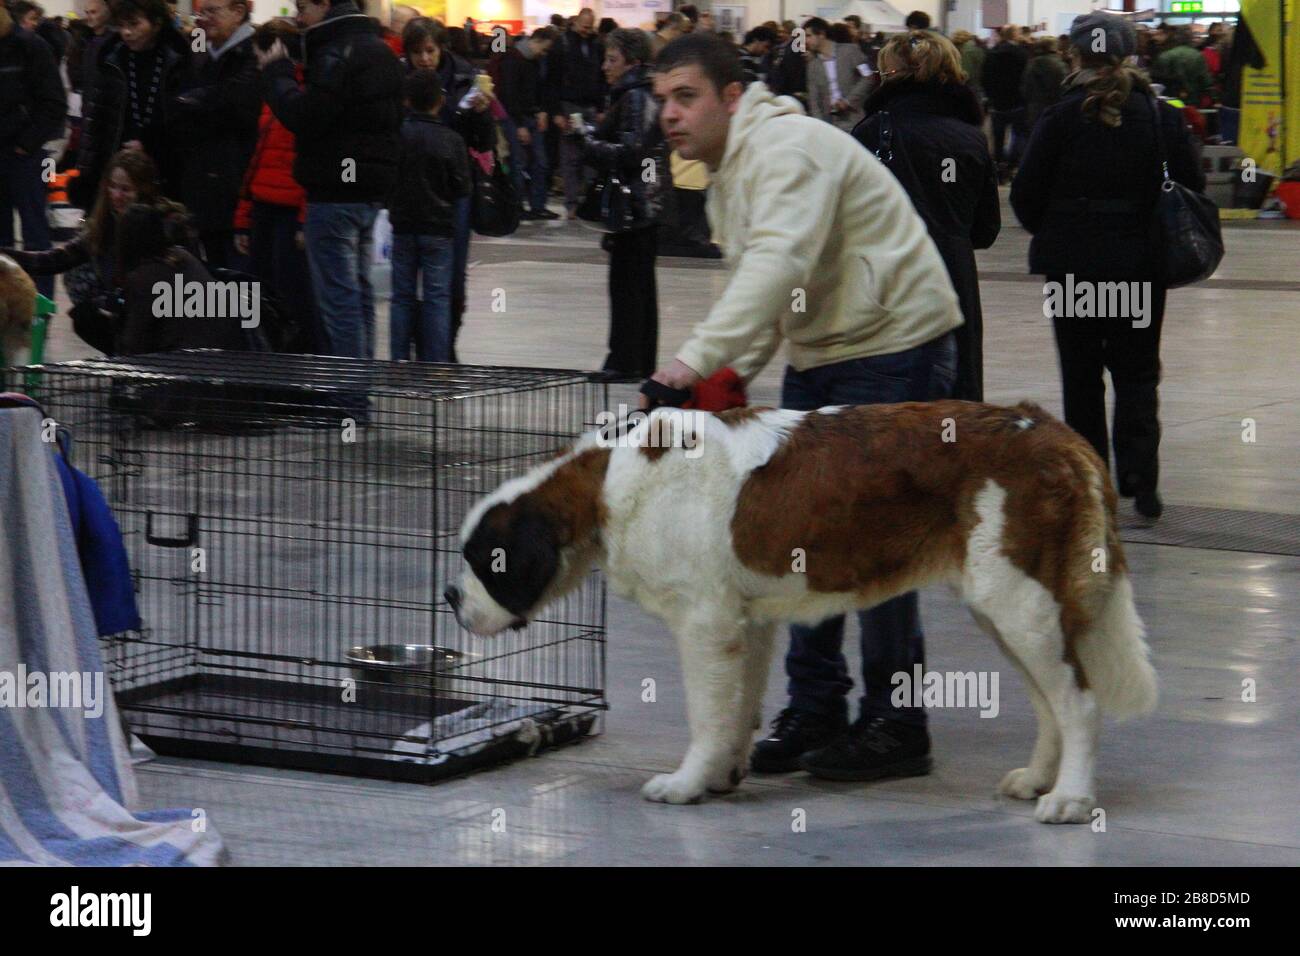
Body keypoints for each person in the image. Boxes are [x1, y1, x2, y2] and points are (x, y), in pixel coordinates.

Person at [647, 34, 963, 780]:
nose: (668, 114)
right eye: (660, 99)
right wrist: (724, 378)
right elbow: (762, 294)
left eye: (684, 96)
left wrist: (689, 365)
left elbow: (777, 263)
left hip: (896, 346)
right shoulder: (731, 170)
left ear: (732, 97)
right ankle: (817, 706)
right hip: (824, 353)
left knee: (880, 541)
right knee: (800, 538)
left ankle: (896, 723)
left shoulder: (788, 147)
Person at [1011, 12, 1204, 520]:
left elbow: (1026, 194)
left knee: (1081, 377)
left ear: (1076, 55)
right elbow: (1191, 184)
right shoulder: (1161, 116)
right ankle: (1143, 484)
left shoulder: (1059, 116)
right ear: (1128, 53)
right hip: (1138, 265)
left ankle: (1093, 484)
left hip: (1073, 266)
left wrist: (1057, 231)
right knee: (1137, 375)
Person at [853, 30, 999, 402]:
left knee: (892, 409)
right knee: (955, 401)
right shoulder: (971, 136)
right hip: (954, 276)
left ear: (890, 75)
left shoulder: (872, 132)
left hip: (888, 278)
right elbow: (985, 230)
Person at [256, 0, 404, 360]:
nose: (299, 16)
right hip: (369, 191)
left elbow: (305, 117)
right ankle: (360, 393)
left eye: (303, 6)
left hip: (333, 192)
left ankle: (349, 402)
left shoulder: (336, 52)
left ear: (325, 4)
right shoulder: (379, 49)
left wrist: (278, 73)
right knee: (359, 296)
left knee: (339, 304)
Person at [3, 148, 161, 353]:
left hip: (158, 313)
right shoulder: (104, 225)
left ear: (143, 190)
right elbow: (54, 260)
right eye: (112, 187)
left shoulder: (162, 225)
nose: (116, 195)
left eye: (126, 189)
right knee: (84, 316)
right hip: (126, 310)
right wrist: (5, 256)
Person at [399, 17, 492, 361]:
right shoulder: (399, 77)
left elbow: (483, 142)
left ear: (441, 49)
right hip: (410, 188)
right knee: (407, 282)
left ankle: (442, 348)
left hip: (454, 188)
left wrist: (479, 115)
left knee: (450, 278)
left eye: (430, 51)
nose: (424, 59)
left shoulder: (467, 77)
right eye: (417, 52)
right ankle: (409, 349)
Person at [579, 27, 667, 383]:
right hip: (646, 204)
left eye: (612, 59)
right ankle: (639, 361)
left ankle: (625, 362)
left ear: (631, 60)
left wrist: (588, 142)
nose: (605, 66)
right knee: (640, 286)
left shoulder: (633, 95)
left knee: (628, 286)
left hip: (635, 206)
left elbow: (633, 152)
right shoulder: (642, 93)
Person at [233, 18, 321, 354]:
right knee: (260, 296)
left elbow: (309, 162)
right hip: (264, 209)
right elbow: (258, 159)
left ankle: (300, 371)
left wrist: (303, 218)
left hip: (289, 213)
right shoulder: (273, 94)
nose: (257, 64)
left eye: (260, 55)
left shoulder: (299, 95)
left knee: (293, 300)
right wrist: (244, 217)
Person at [72, 0, 191, 210]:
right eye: (122, 25)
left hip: (165, 169)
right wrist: (87, 173)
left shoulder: (179, 61)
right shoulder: (111, 60)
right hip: (116, 164)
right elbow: (96, 119)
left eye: (134, 24)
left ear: (156, 24)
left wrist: (151, 142)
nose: (126, 32)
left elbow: (183, 120)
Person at [386, 69, 470, 362]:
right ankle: (436, 364)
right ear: (440, 101)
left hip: (403, 226)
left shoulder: (396, 136)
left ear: (407, 100)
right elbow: (462, 187)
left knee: (401, 297)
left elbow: (386, 179)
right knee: (437, 298)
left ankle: (398, 360)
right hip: (439, 229)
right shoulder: (451, 139)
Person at [174, 0, 259, 269]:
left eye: (213, 11)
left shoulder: (253, 53)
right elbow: (185, 101)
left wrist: (196, 102)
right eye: (202, 11)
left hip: (237, 184)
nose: (204, 18)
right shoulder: (204, 53)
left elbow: (236, 106)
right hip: (205, 185)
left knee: (240, 279)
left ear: (238, 12)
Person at [113, 200, 247, 354]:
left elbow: (134, 341)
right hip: (228, 350)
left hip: (187, 360)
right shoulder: (183, 257)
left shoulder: (143, 278)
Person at [0, 2, 66, 301]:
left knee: (36, 235)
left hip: (25, 158)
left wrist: (25, 144)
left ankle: (42, 305)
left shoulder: (31, 46)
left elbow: (54, 104)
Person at [496, 26, 559, 220]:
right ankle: (516, 206)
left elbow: (538, 90)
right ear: (536, 40)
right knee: (517, 163)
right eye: (544, 48)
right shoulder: (512, 58)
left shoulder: (535, 61)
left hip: (531, 117)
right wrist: (519, 124)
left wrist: (541, 111)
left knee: (540, 163)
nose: (544, 53)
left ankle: (537, 206)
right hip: (515, 120)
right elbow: (508, 94)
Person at [554, 8, 604, 220]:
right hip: (570, 106)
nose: (587, 30)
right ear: (575, 23)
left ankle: (591, 203)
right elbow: (551, 80)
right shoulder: (563, 44)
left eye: (590, 26)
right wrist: (555, 111)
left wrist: (602, 107)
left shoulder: (597, 44)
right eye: (584, 25)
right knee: (571, 157)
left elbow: (603, 77)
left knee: (593, 156)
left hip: (591, 106)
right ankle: (571, 204)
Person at [803, 16, 870, 132]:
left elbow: (868, 77)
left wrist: (848, 101)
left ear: (821, 34)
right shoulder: (813, 66)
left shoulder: (850, 51)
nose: (806, 41)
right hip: (830, 126)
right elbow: (814, 100)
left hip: (854, 121)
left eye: (808, 36)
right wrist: (819, 127)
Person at [981, 24, 1029, 182]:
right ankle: (1012, 166)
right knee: (1018, 135)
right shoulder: (1022, 54)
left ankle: (999, 166)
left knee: (998, 137)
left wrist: (989, 96)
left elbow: (984, 77)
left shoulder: (992, 53)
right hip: (1017, 101)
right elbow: (1026, 79)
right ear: (1015, 35)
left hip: (998, 102)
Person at [1152, 25, 1212, 107]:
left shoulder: (1165, 55)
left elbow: (1157, 80)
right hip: (1192, 99)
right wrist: (1213, 97)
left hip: (1169, 100)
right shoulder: (1197, 55)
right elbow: (1205, 79)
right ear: (1190, 38)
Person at [1021, 35, 1067, 131]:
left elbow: (1025, 90)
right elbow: (1063, 91)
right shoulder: (1060, 66)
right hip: (1053, 112)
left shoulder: (1031, 64)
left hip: (1034, 111)